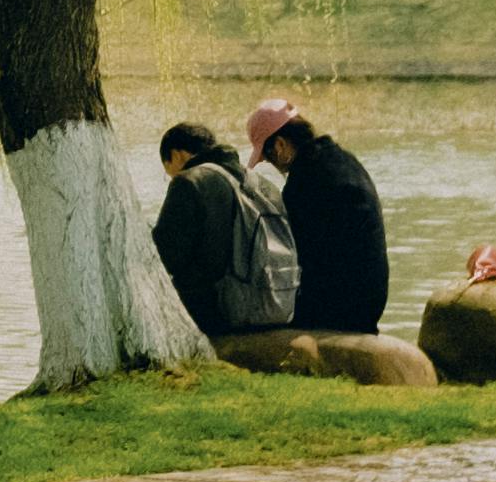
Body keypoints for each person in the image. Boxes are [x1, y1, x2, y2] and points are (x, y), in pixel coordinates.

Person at [150, 119, 296, 345]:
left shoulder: (189, 181)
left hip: (219, 314)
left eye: (167, 169)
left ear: (177, 155)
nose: (170, 176)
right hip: (276, 303)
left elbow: (164, 257)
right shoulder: (264, 184)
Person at [261, 107, 390, 336]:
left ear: (280, 145)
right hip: (370, 302)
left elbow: (293, 254)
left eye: (268, 157)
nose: (272, 165)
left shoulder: (303, 181)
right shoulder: (342, 159)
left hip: (338, 310)